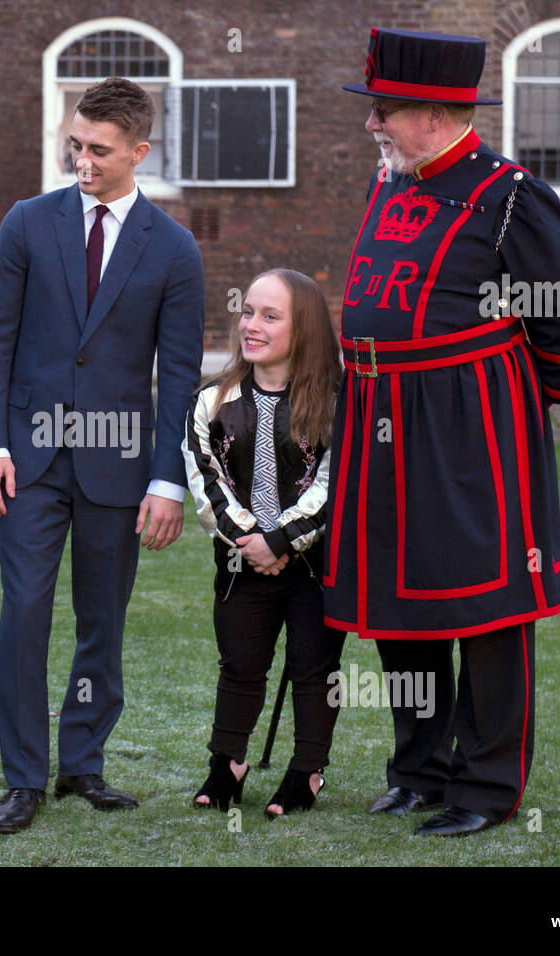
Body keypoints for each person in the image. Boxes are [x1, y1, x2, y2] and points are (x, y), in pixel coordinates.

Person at [326, 27, 560, 835]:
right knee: (399, 605)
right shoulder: (392, 182)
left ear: (437, 113)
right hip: (378, 421)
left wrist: (494, 401)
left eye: (385, 110)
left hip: (471, 432)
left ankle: (485, 788)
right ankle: (420, 769)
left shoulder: (511, 194)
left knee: (483, 610)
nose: (373, 125)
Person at [0, 77, 205, 833]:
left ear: (140, 151)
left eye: (99, 150)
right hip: (28, 462)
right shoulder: (26, 223)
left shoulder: (174, 249)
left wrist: (169, 480)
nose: (83, 161)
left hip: (122, 465)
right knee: (25, 611)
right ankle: (22, 776)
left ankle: (84, 764)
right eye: (75, 144)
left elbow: (179, 377)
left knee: (101, 618)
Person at [183, 269, 345, 817]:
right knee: (240, 662)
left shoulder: (335, 400)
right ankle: (226, 762)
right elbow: (208, 483)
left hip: (316, 564)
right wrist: (250, 540)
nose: (250, 325)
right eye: (247, 311)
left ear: (305, 331)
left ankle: (308, 770)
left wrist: (282, 541)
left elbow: (335, 481)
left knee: (314, 667)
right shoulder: (212, 400)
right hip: (240, 562)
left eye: (269, 316)